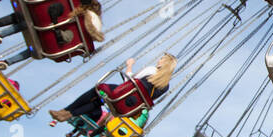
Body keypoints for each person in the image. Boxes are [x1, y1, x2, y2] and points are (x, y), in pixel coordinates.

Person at [48, 54, 177, 127]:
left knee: (96, 91)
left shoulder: (151, 70)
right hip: (127, 108)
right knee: (99, 101)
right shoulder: (165, 86)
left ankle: (66, 111)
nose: (158, 60)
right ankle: (67, 115)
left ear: (163, 63)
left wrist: (129, 65)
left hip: (121, 94)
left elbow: (131, 80)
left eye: (161, 59)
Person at [0, 0, 104, 68]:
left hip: (51, 32)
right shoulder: (96, 27)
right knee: (35, 50)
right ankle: (7, 62)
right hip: (54, 47)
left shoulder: (82, 13)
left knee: (26, 24)